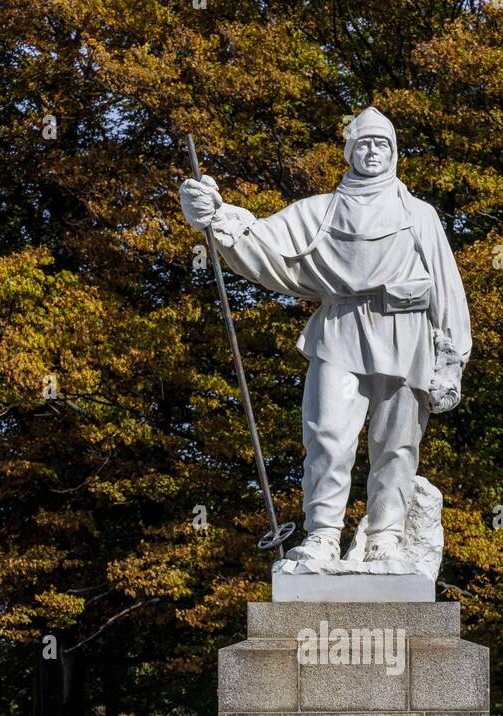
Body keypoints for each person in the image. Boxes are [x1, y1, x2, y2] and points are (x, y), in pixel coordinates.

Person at [180, 108, 471, 564]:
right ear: (349, 150)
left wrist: (451, 358)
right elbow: (260, 238)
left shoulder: (419, 215)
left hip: (408, 334)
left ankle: (386, 535)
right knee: (328, 433)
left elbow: (447, 289)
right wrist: (214, 216)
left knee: (396, 444)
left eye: (382, 144)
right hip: (340, 329)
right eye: (363, 143)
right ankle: (322, 533)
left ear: (394, 152)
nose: (373, 151)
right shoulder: (321, 210)